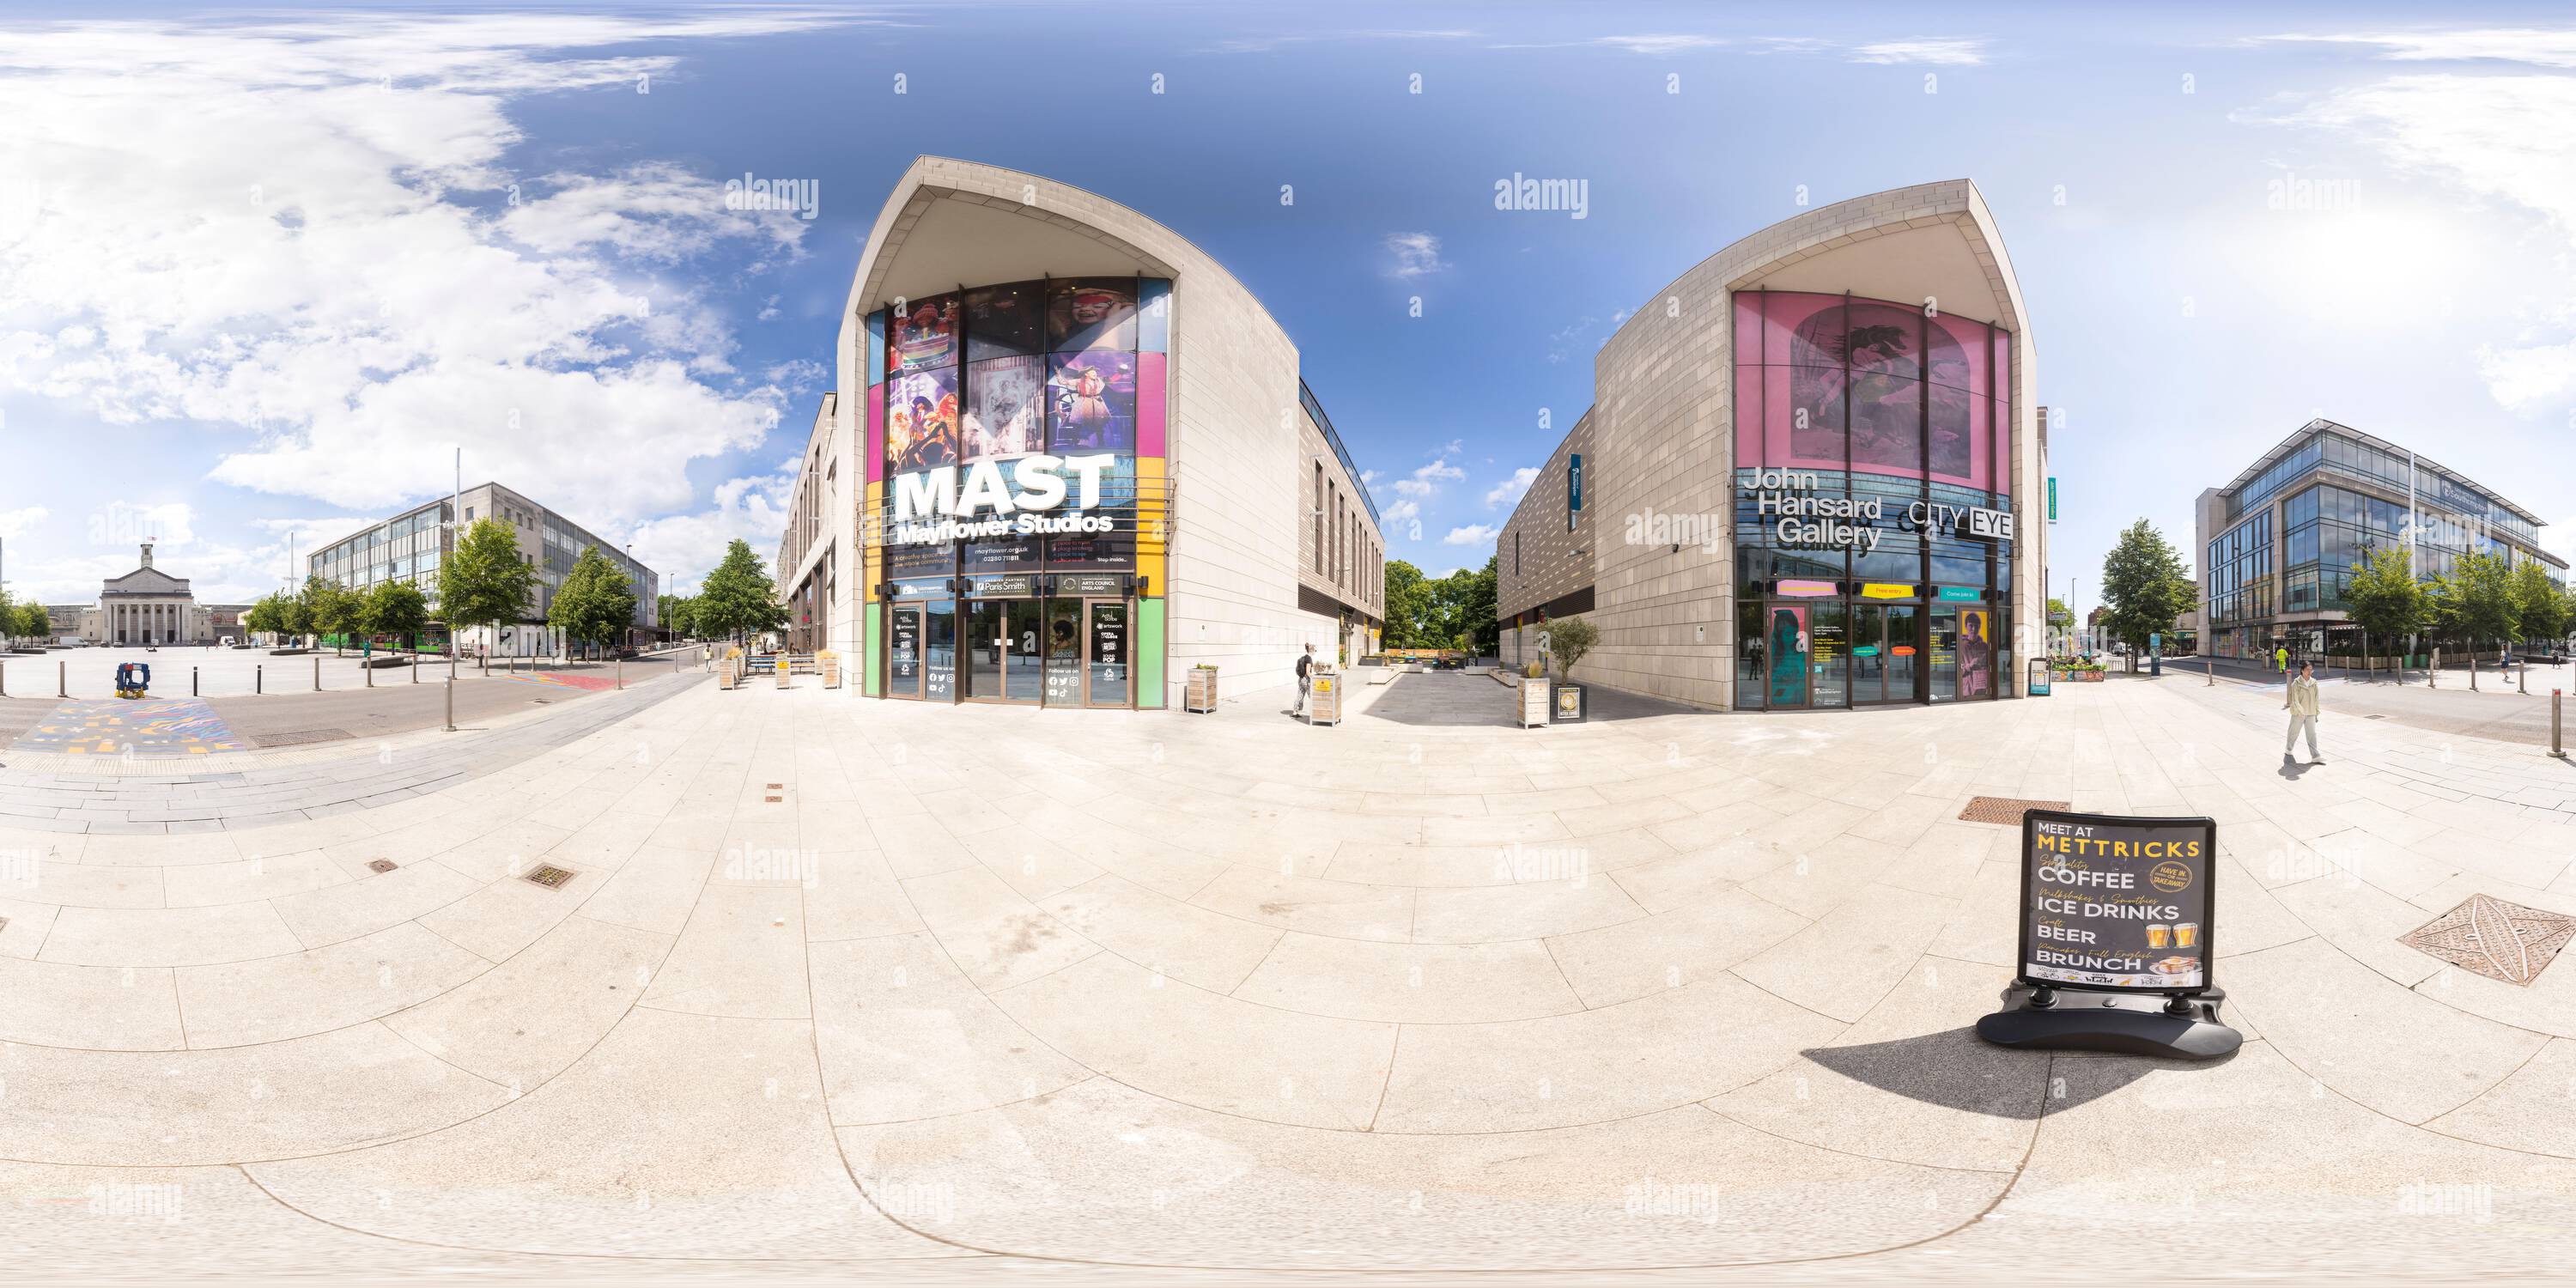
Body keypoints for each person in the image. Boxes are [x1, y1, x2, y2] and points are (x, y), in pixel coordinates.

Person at [2284, 659, 2323, 763]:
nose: (2309, 672)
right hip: (2299, 713)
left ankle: (2315, 756)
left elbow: (2316, 698)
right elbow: (2294, 699)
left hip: (2310, 712)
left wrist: (2316, 712)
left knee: (2312, 734)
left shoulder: (2314, 683)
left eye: (2311, 670)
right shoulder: (2296, 684)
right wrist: (2300, 711)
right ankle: (2289, 749)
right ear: (2302, 670)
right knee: (2293, 732)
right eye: (2307, 670)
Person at [1291, 642, 1315, 718]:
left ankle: (1295, 712)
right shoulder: (1309, 658)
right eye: (1315, 650)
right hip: (1306, 680)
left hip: (1301, 679)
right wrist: (1314, 677)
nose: (1315, 652)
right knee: (1312, 695)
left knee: (1300, 695)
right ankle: (1315, 712)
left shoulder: (1304, 657)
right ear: (1312, 651)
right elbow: (1308, 672)